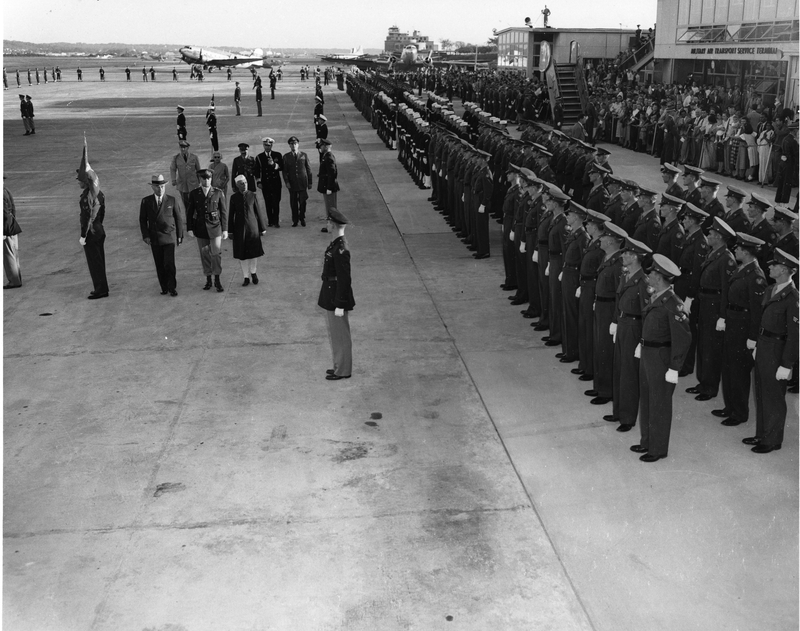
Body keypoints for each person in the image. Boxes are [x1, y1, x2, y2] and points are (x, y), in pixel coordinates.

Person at [631, 254, 691, 462]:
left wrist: (675, 367)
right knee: (647, 399)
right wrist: (642, 343)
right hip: (648, 354)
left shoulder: (673, 304)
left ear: (661, 277)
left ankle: (657, 449)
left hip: (661, 359)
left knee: (659, 404)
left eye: (653, 273)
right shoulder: (656, 296)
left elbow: (683, 339)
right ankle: (646, 441)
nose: (649, 275)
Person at [744, 248, 799, 453]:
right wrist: (758, 344)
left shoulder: (793, 298)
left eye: (774, 265)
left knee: (774, 396)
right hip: (765, 345)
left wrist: (787, 364)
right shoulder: (771, 289)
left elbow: (795, 336)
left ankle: (773, 439)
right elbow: (762, 320)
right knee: (761, 392)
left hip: (778, 350)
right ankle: (762, 433)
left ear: (784, 269)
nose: (770, 268)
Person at [715, 232, 766, 426]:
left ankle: (739, 412)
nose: (735, 250)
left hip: (743, 329)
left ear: (746, 252)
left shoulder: (756, 276)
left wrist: (753, 337)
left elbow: (757, 310)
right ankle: (730, 406)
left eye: (738, 248)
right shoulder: (742, 268)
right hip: (733, 323)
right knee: (728, 367)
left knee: (739, 371)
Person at [687, 216, 737, 401]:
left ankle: (710, 387)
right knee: (703, 344)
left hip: (715, 307)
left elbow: (726, 290)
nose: (708, 235)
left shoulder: (726, 259)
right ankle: (703, 382)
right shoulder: (713, 253)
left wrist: (723, 316)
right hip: (705, 304)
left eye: (712, 233)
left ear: (719, 237)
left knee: (711, 348)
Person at [318, 208, 355, 380]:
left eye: (328, 222)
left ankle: (343, 370)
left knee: (341, 336)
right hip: (331, 293)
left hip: (336, 297)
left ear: (333, 225)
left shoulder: (341, 249)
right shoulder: (336, 244)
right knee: (336, 335)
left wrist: (340, 303)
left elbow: (344, 279)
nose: (327, 224)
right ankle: (339, 366)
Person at [139, 174, 184, 296]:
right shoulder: (146, 201)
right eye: (158, 187)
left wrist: (180, 235)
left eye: (162, 186)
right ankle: (164, 286)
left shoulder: (171, 200)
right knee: (159, 264)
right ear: (153, 187)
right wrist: (146, 235)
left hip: (168, 237)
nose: (160, 189)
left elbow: (178, 218)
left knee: (169, 264)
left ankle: (172, 287)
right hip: (155, 238)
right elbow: (142, 220)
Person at [186, 168, 228, 292]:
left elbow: (224, 212)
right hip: (200, 228)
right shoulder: (194, 193)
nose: (207, 181)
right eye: (204, 178)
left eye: (209, 178)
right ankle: (208, 279)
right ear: (200, 179)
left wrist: (225, 229)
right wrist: (190, 228)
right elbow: (189, 213)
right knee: (205, 255)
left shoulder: (218, 192)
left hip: (215, 228)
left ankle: (217, 280)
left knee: (216, 254)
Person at [229, 175, 267, 286]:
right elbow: (231, 215)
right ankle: (246, 276)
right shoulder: (234, 198)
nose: (244, 184)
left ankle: (253, 272)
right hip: (239, 229)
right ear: (237, 185)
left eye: (245, 182)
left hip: (252, 228)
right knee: (242, 254)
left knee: (253, 252)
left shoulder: (252, 196)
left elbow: (258, 212)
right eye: (241, 183)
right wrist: (230, 231)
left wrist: (262, 228)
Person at [77, 167, 109, 299]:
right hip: (99, 230)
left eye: (80, 180)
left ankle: (100, 289)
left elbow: (86, 218)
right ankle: (102, 287)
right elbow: (102, 213)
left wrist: (83, 235)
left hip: (91, 233)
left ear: (86, 181)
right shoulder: (99, 193)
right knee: (99, 262)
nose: (78, 183)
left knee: (95, 263)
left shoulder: (87, 196)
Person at [282, 136, 313, 227]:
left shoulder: (304, 155)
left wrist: (310, 182)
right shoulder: (286, 157)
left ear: (298, 144)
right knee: (293, 202)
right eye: (291, 144)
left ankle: (302, 218)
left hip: (302, 182)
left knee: (303, 201)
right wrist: (287, 182)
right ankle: (295, 220)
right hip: (292, 183)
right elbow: (285, 171)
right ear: (289, 145)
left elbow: (309, 169)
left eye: (295, 144)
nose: (293, 145)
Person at [254, 137, 284, 228]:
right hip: (266, 183)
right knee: (268, 202)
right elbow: (257, 171)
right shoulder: (259, 157)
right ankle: (270, 220)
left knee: (276, 202)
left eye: (269, 145)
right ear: (263, 145)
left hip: (275, 182)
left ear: (272, 145)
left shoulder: (277, 155)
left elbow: (282, 167)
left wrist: (274, 165)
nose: (267, 147)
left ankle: (276, 221)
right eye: (265, 145)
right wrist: (258, 182)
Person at [170, 140, 201, 210]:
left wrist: (200, 181)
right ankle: (189, 219)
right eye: (181, 147)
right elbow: (172, 169)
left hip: (193, 184)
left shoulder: (194, 157)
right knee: (186, 203)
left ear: (188, 148)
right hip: (182, 184)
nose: (183, 149)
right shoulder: (176, 158)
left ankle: (195, 219)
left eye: (184, 147)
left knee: (195, 201)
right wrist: (173, 179)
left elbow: (198, 170)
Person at [316, 139, 340, 229]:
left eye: (321, 146)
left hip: (328, 186)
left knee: (331, 207)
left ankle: (331, 226)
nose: (320, 148)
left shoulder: (328, 157)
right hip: (326, 185)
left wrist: (329, 187)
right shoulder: (326, 155)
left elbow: (332, 173)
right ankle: (330, 225)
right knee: (329, 207)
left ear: (326, 147)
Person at [4, 182, 22, 289]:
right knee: (14, 254)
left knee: (8, 255)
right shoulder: (6, 190)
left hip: (6, 228)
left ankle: (14, 281)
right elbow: (13, 209)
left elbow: (4, 214)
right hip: (12, 225)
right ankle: (17, 278)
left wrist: (4, 231)